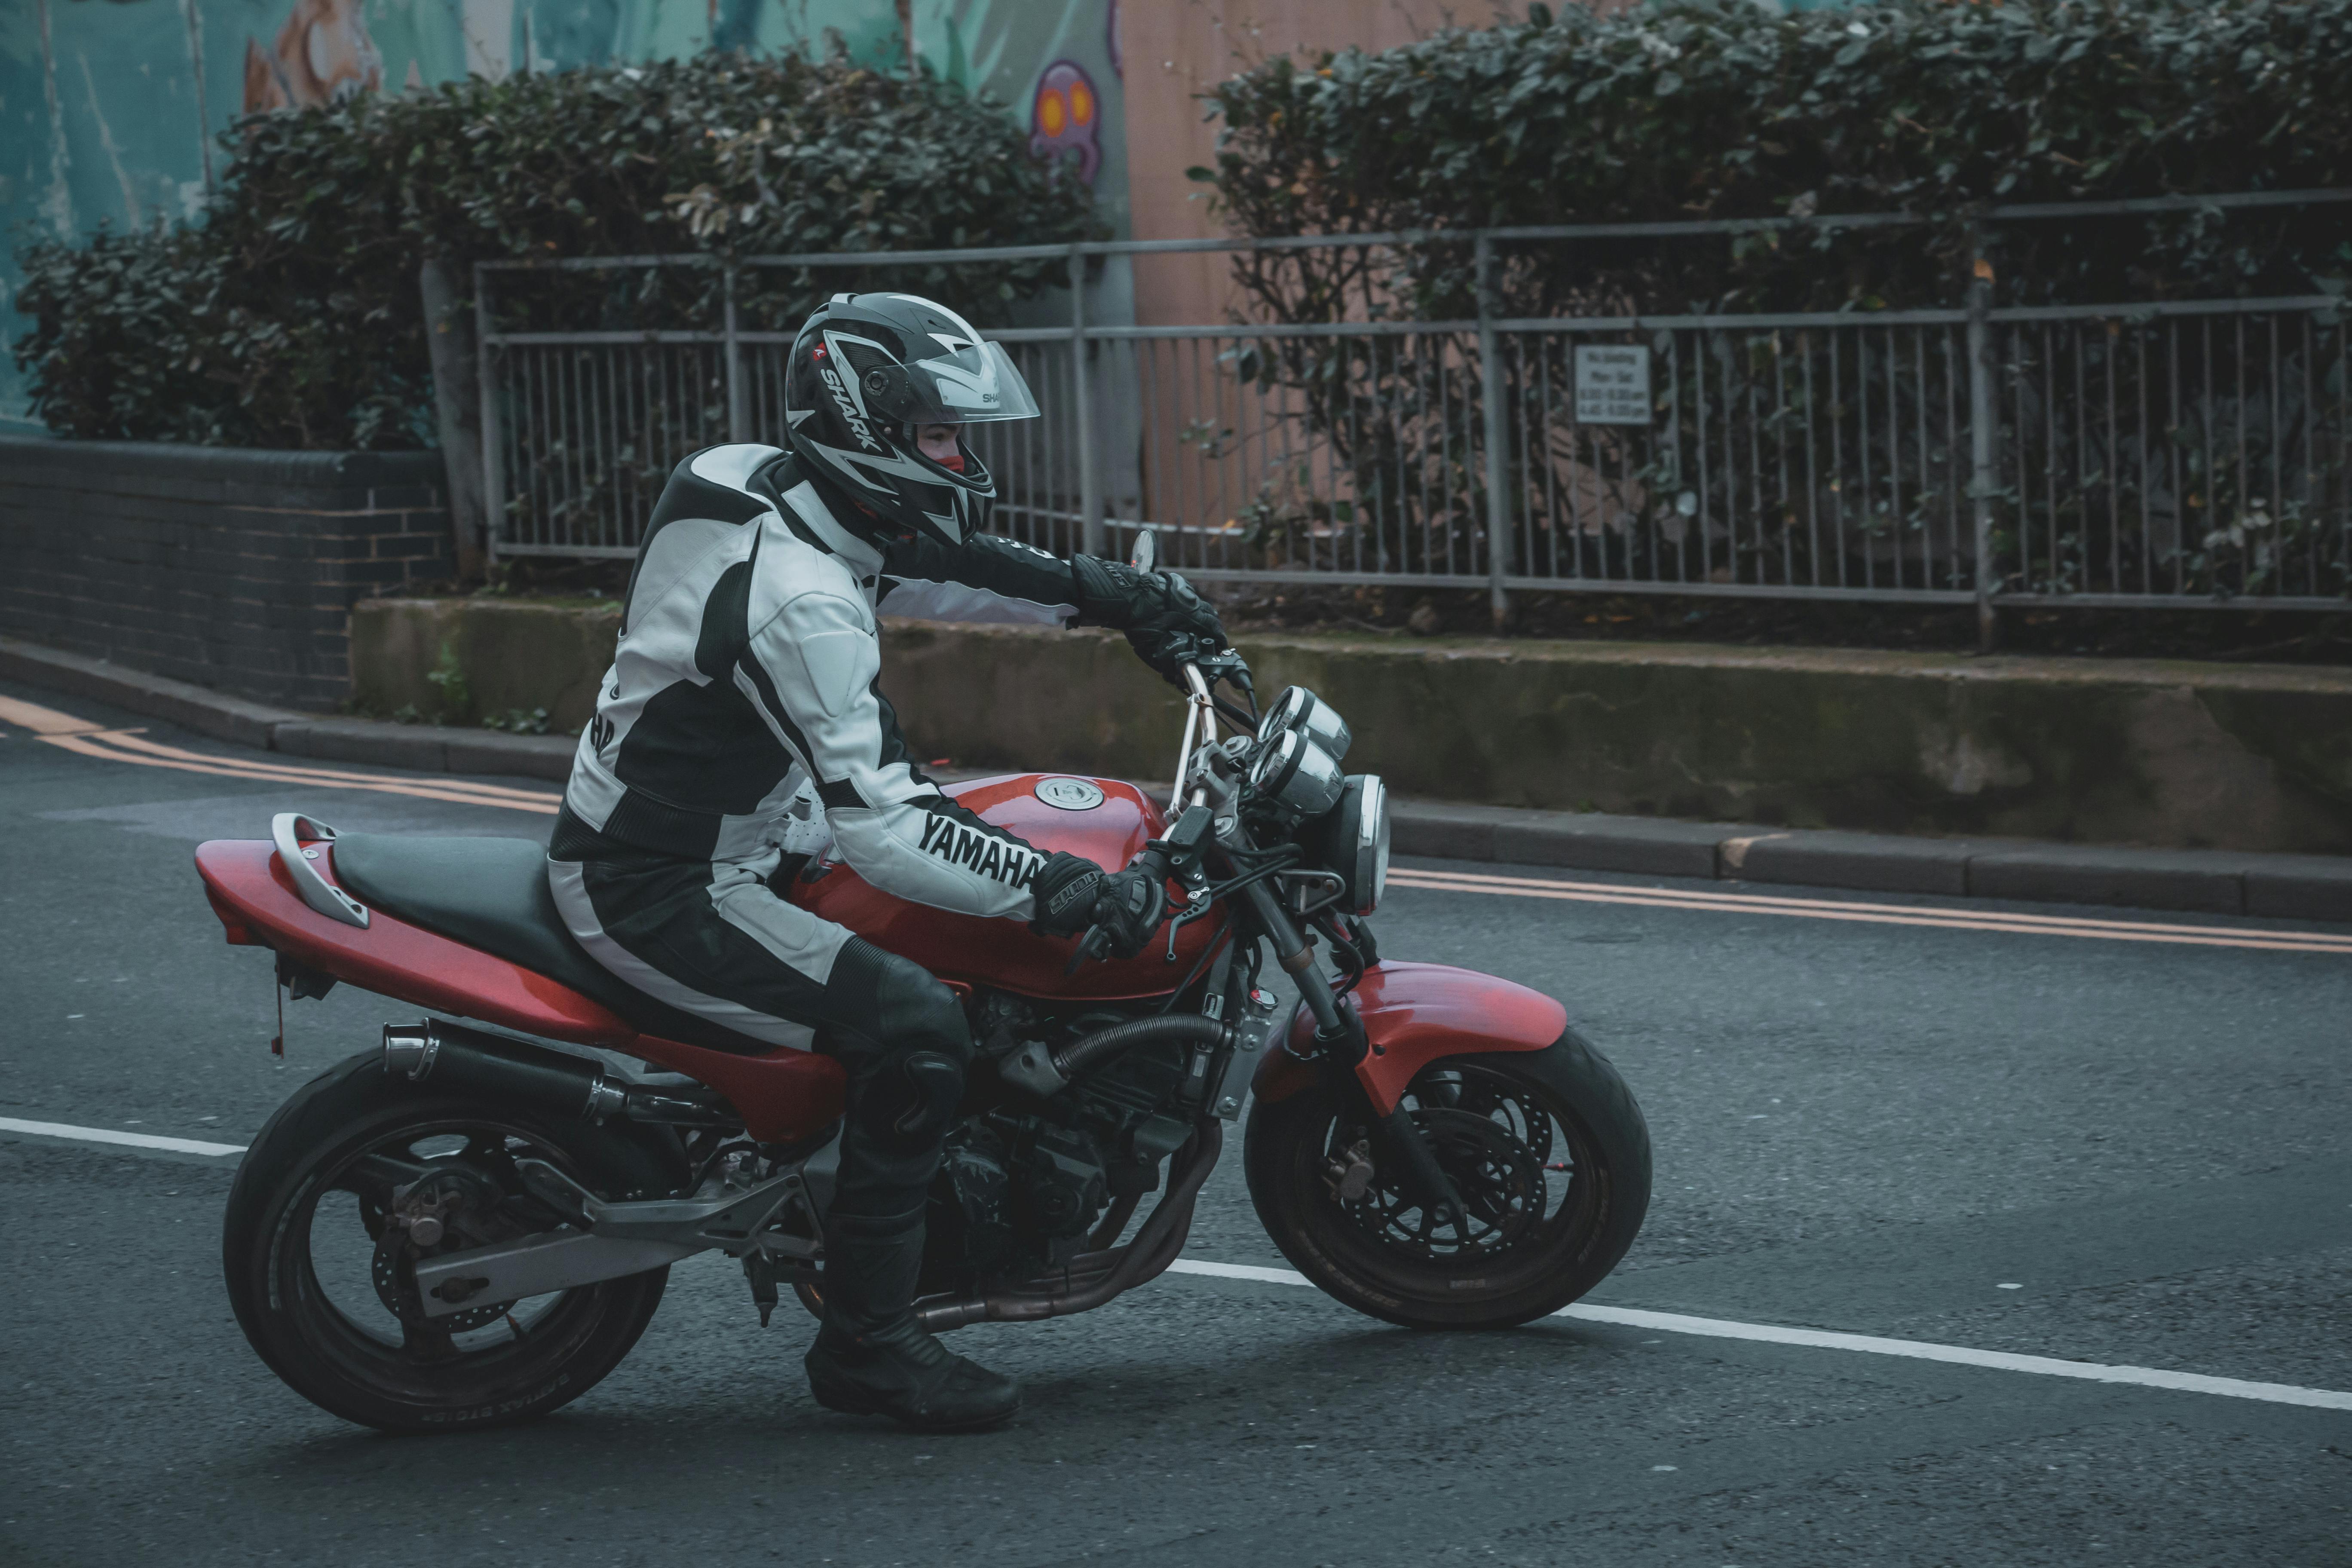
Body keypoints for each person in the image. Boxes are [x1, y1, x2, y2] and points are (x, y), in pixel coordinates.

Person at [544, 291, 1228, 1431]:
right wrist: (1058, 888)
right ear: (868, 433)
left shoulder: (751, 478)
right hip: (664, 882)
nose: (964, 460)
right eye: (941, 438)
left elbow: (920, 542)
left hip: (743, 822)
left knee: (968, 850)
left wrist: (1110, 594)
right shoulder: (802, 605)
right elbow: (892, 828)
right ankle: (867, 1345)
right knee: (918, 1025)